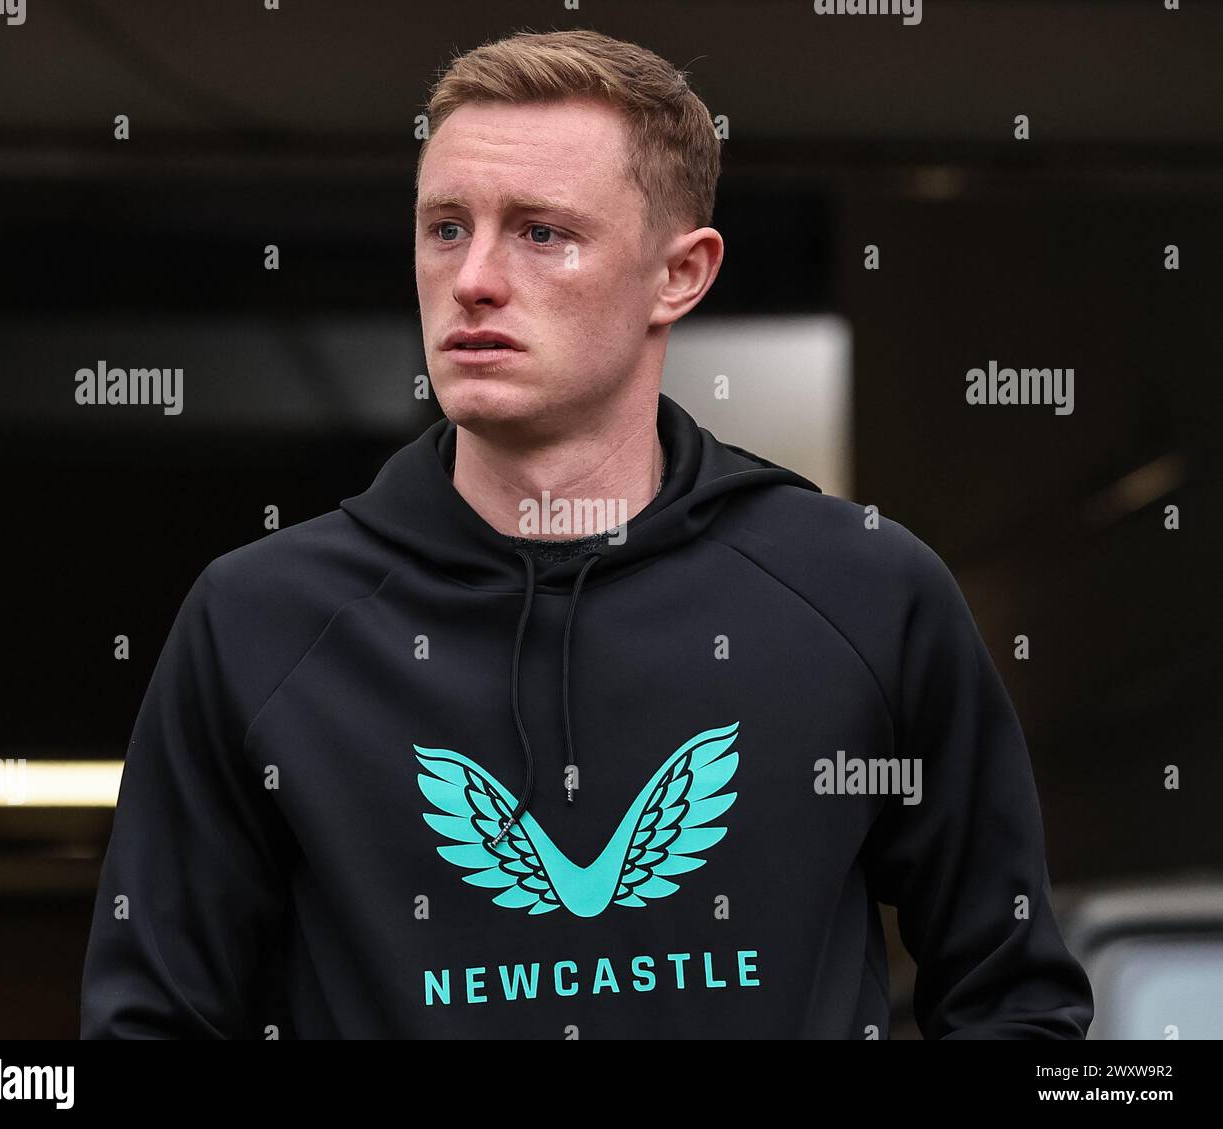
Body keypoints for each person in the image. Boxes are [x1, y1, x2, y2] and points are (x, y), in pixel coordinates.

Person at [80, 28, 1094, 1039]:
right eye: (445, 228)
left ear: (680, 275)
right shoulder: (259, 620)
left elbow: (1016, 1001)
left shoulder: (864, 592)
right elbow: (152, 1025)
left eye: (540, 231)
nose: (474, 278)